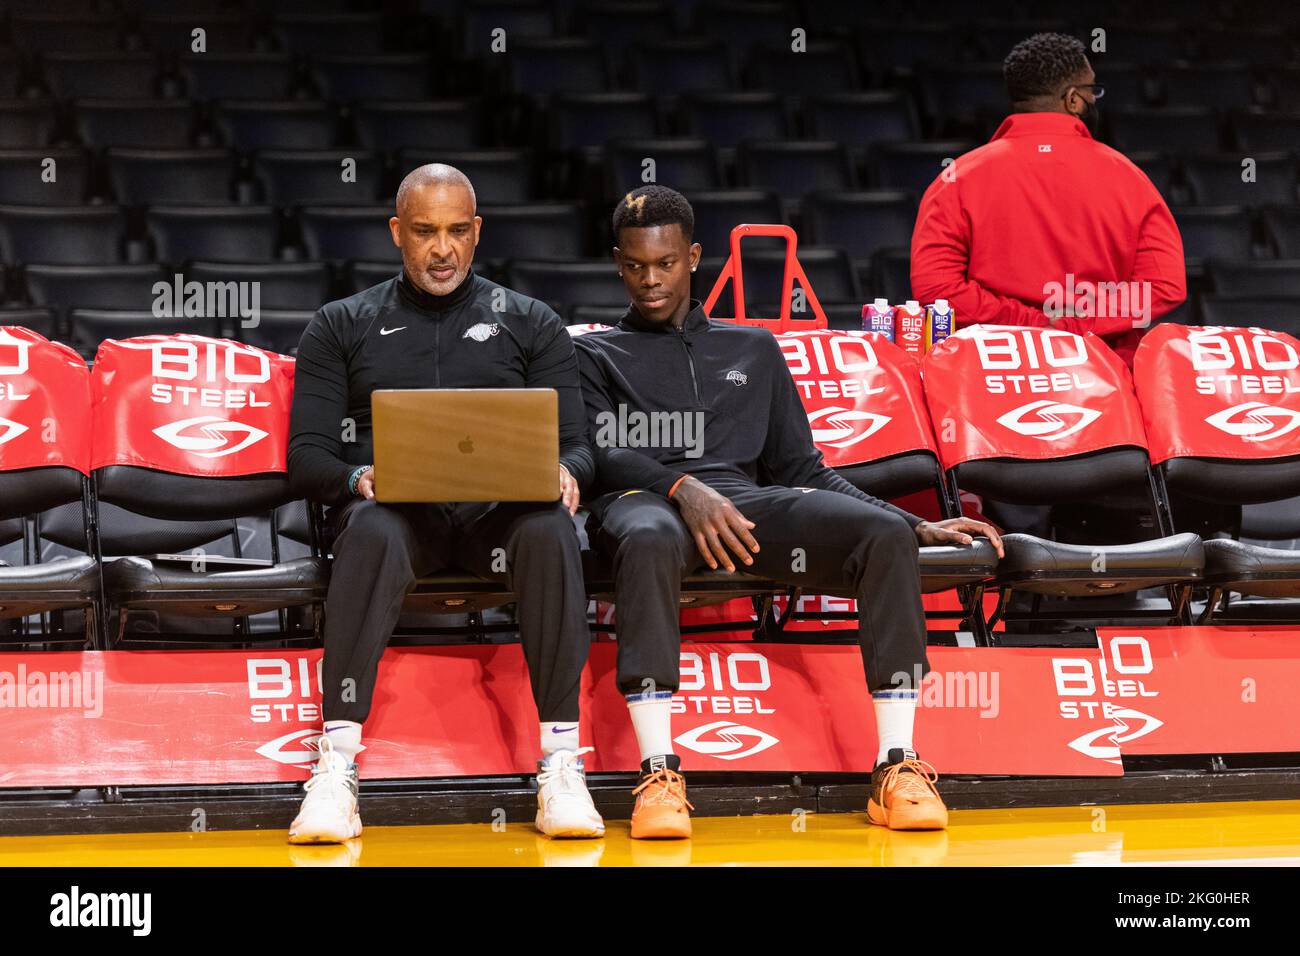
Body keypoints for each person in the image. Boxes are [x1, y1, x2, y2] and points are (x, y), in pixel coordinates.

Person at [574, 185, 1004, 836]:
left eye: (664, 264)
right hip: (644, 503)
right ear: (617, 263)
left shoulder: (753, 350)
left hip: (744, 508)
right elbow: (601, 452)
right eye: (635, 266)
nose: (651, 281)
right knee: (650, 535)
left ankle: (898, 764)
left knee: (883, 533)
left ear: (693, 257)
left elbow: (801, 469)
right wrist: (683, 489)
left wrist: (918, 524)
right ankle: (657, 772)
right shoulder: (594, 353)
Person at [285, 164, 604, 843]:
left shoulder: (532, 322)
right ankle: (337, 764)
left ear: (477, 232)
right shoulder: (341, 324)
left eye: (458, 231)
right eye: (425, 231)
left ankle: (561, 760)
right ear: (397, 232)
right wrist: (356, 479)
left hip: (501, 520)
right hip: (402, 521)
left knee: (551, 527)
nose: (442, 249)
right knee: (369, 526)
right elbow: (307, 457)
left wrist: (567, 474)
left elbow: (579, 446)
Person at [910, 32, 1186, 368]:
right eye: (1092, 92)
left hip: (990, 373)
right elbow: (1164, 285)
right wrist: (1076, 326)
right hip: (1103, 374)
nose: (1094, 100)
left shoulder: (955, 178)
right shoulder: (1129, 177)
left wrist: (1029, 324)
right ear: (1072, 99)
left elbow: (936, 289)